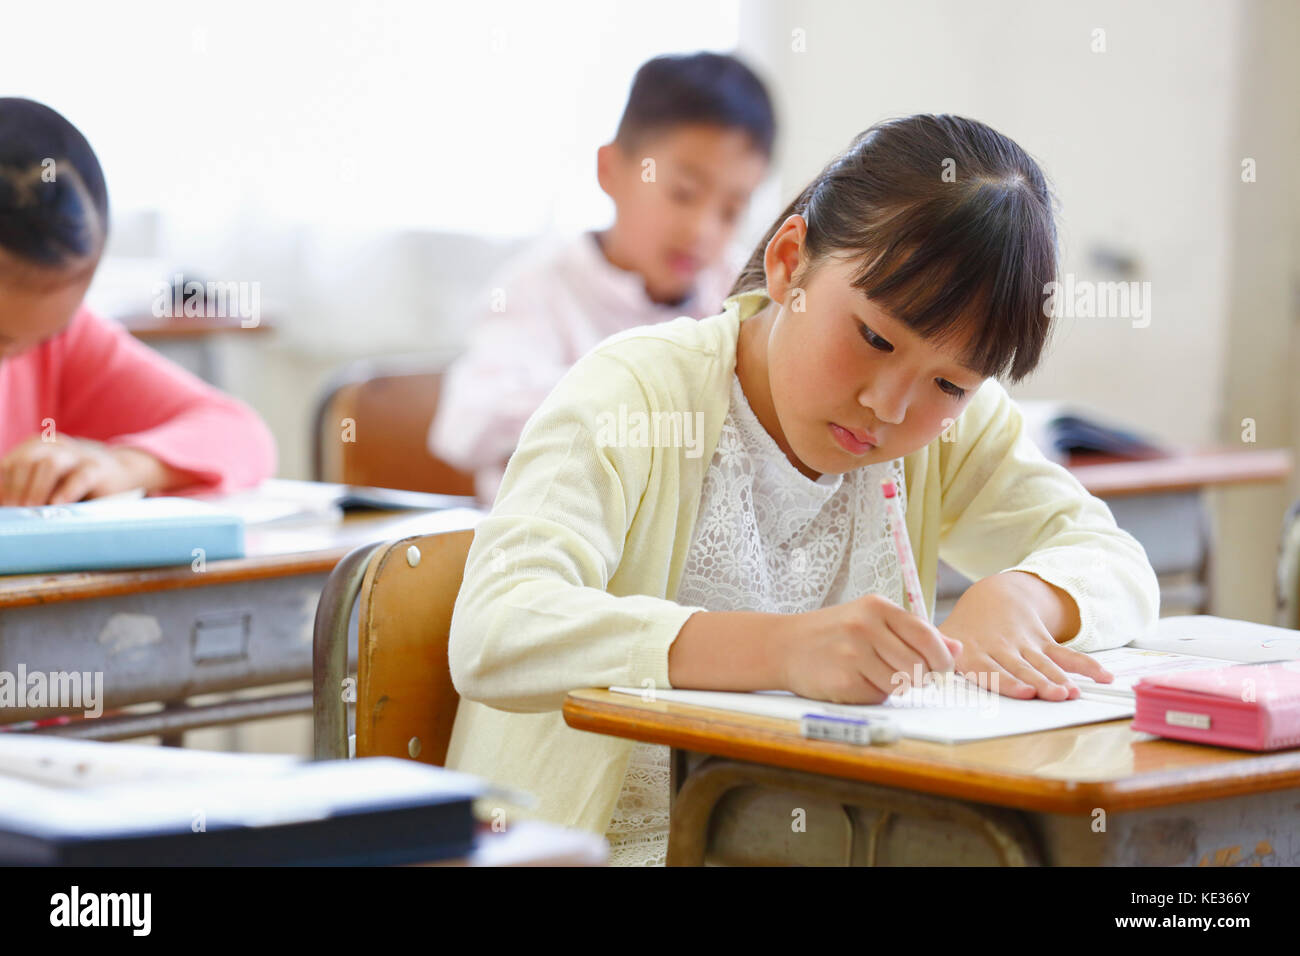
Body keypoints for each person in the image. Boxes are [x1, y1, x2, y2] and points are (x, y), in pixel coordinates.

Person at [444, 114, 1160, 865]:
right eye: (875, 338)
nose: (890, 405)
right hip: (603, 846)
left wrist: (1023, 597)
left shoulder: (953, 429)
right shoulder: (638, 393)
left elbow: (1112, 557)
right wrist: (778, 650)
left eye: (948, 382)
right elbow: (497, 628)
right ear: (790, 263)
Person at [429, 51, 774, 504]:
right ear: (610, 171)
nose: (702, 231)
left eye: (731, 210)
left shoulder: (743, 291)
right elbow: (464, 425)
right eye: (682, 193)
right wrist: (633, 397)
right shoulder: (538, 289)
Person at [0, 98, 275, 506]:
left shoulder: (59, 345)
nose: (16, 356)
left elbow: (241, 435)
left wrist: (118, 466)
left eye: (40, 335)